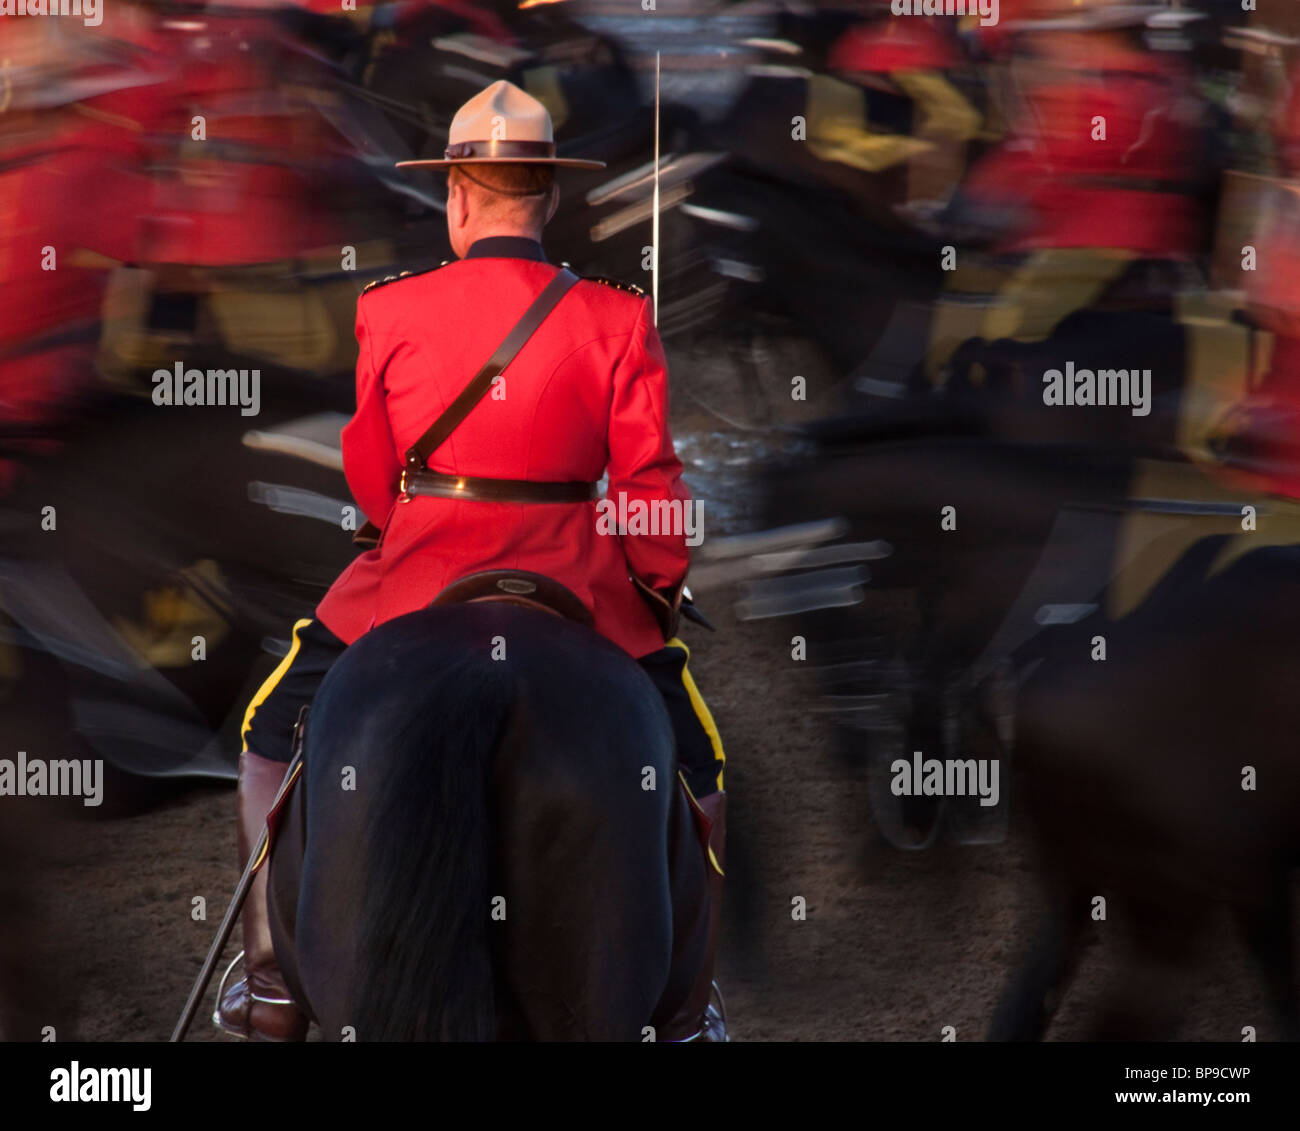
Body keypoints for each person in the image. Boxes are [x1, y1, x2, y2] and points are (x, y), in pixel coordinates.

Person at [214, 80, 726, 1042]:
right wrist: (653, 586)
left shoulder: (390, 309)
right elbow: (653, 486)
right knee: (699, 770)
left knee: (265, 734)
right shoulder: (618, 317)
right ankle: (691, 1008)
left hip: (412, 579)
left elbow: (372, 477)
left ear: (456, 194)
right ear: (551, 198)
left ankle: (274, 979)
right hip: (578, 584)